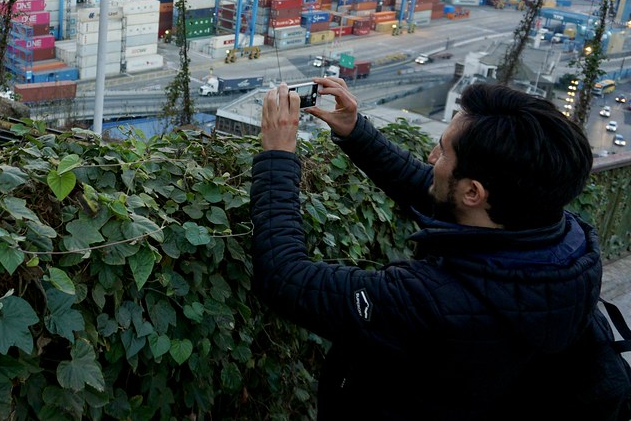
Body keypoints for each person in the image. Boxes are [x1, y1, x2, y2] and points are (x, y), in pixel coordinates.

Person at [251, 77, 631, 420]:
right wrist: (356, 132)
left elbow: (285, 278)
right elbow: (437, 195)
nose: (432, 157)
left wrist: (277, 155)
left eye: (443, 150)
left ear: (474, 191)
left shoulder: (429, 301)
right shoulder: (568, 242)